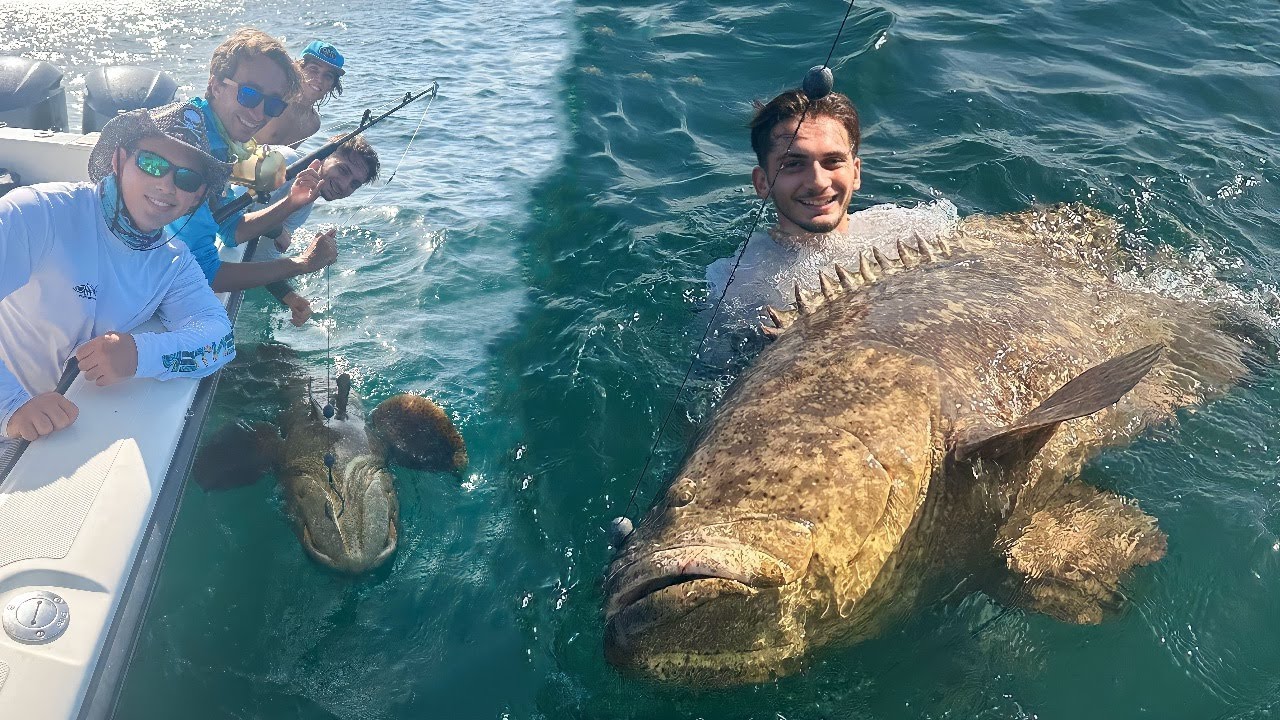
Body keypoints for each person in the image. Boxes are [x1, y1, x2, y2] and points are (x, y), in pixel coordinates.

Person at [0, 101, 237, 443]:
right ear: (119, 159)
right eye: (152, 163)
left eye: (186, 178)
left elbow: (220, 338)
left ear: (196, 196)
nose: (167, 185)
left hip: (57, 438)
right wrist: (12, 406)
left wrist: (140, 354)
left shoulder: (174, 261)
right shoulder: (41, 212)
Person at [168, 27, 338, 295]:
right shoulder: (193, 151)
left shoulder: (218, 140)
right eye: (249, 93)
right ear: (216, 84)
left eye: (273, 105)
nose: (258, 114)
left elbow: (228, 229)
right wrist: (302, 263)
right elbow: (205, 273)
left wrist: (291, 203)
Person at [706, 88, 864, 317]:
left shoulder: (912, 228)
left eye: (833, 161)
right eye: (793, 164)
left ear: (856, 173)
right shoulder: (735, 281)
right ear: (762, 183)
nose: (818, 182)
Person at [244, 134, 380, 325]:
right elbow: (234, 209)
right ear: (324, 156)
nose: (344, 185)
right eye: (342, 170)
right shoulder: (285, 161)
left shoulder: (304, 205)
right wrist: (278, 231)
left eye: (354, 184)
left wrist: (290, 297)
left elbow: (259, 259)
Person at [254, 40, 346, 148]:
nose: (320, 79)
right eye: (313, 69)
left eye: (328, 76)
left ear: (332, 86)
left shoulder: (313, 124)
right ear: (298, 69)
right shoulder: (272, 100)